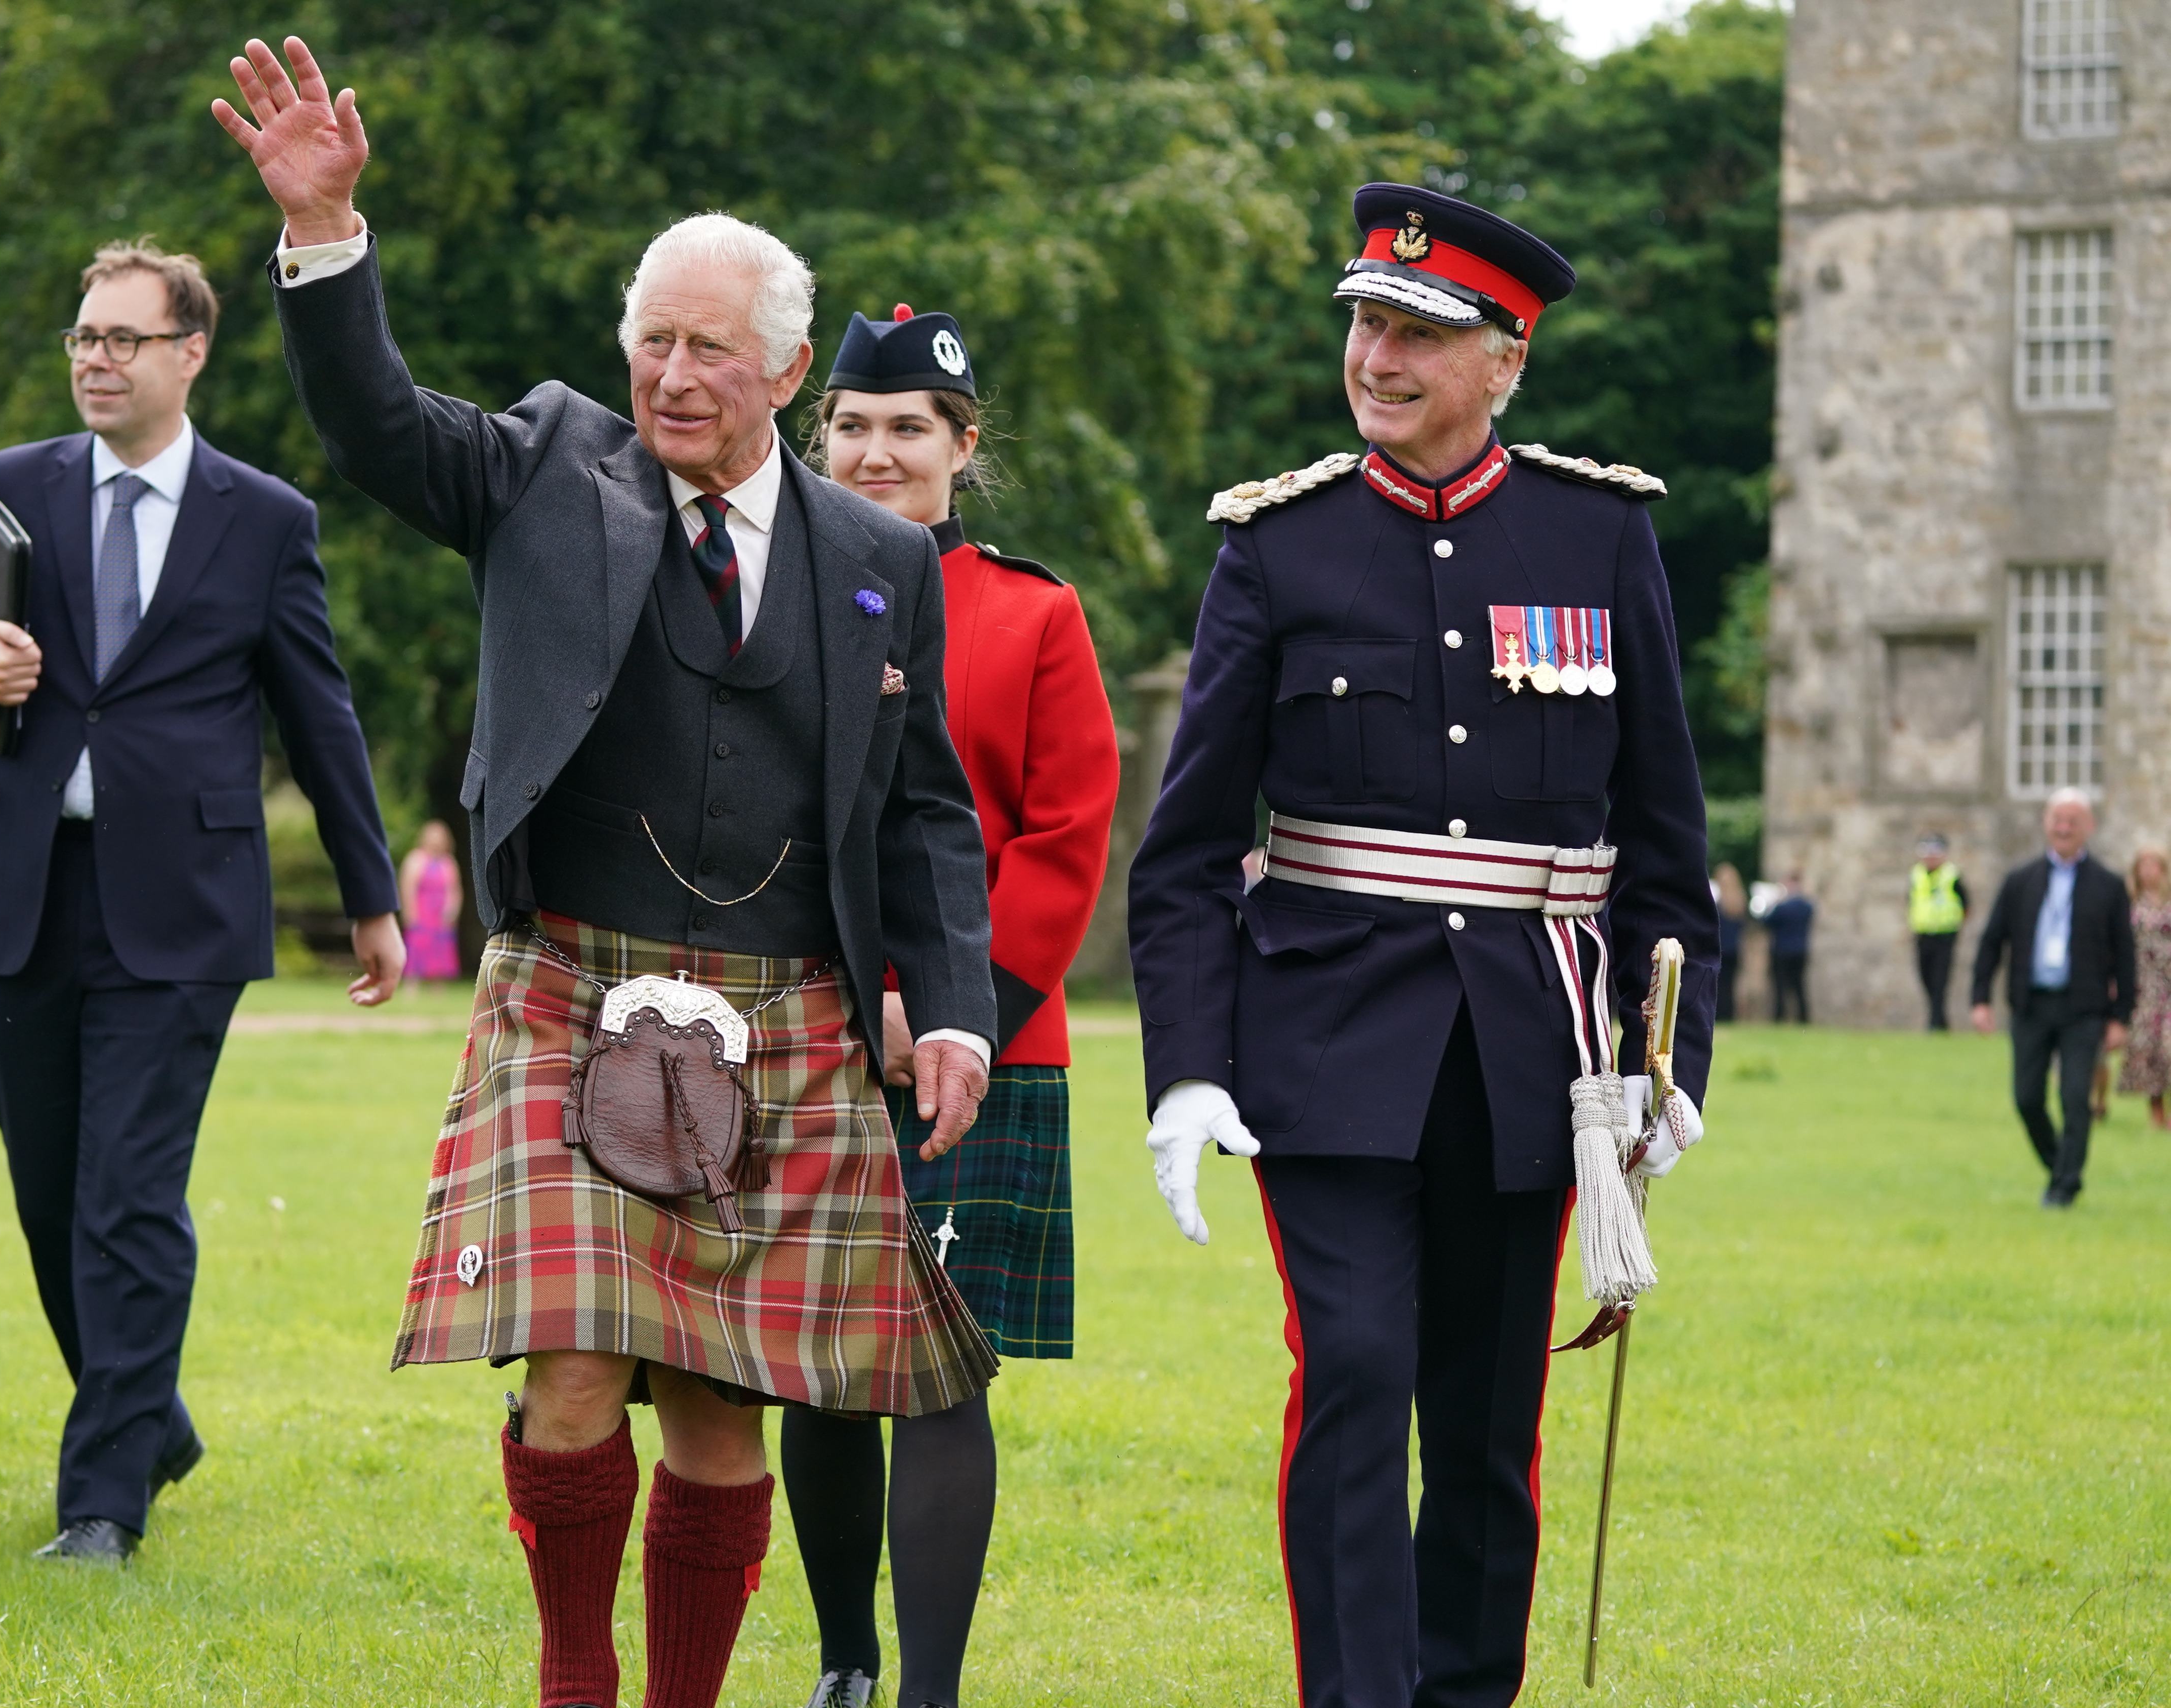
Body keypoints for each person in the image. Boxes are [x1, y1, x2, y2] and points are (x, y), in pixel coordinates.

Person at [221, 37, 1000, 1708]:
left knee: (720, 1395)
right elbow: (375, 424)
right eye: (653, 339)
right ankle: (578, 1670)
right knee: (574, 1366)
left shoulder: (882, 559)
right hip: (572, 978)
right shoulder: (543, 469)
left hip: (786, 1000)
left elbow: (926, 805)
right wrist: (325, 237)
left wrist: (951, 1006)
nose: (674, 374)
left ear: (787, 369)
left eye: (711, 347)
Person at [1130, 183, 1718, 1708]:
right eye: (1364, 324)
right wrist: (1187, 1072)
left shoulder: (1598, 536)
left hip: (1532, 1057)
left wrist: (1668, 1066)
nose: (1376, 357)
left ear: (1504, 360)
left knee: (1483, 1416)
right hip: (1322, 1051)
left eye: (1417, 333)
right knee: (1355, 1375)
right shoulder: (1279, 546)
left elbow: (1663, 840)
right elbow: (1185, 852)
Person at [0, 236, 405, 1562]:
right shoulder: (11, 486)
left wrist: (372, 893)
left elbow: (320, 713)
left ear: (190, 353)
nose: (97, 360)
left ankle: (102, 1501)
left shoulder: (266, 518)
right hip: (21, 892)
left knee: (128, 1192)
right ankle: (150, 1415)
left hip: (181, 907)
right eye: (84, 336)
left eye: (123, 338)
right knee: (48, 1193)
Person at [776, 305, 1120, 1708]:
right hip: (802, 1029)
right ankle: (843, 1665)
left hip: (982, 1046)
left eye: (909, 427)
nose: (877, 451)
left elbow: (1066, 837)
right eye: (852, 424)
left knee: (938, 1371)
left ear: (963, 446)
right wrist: (852, 999)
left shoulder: (1035, 612)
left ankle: (930, 1691)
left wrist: (951, 1007)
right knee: (812, 1363)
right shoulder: (767, 591)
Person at [1971, 788, 2137, 1209]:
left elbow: (2125, 955)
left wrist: (2121, 1017)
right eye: (2057, 819)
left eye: (2073, 821)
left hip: (2084, 1009)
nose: (2064, 828)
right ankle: (2061, 1165)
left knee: (2075, 1097)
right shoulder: (2020, 881)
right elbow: (1992, 942)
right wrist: (1980, 999)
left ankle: (2064, 1187)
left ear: (2088, 827)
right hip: (2031, 1005)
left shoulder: (2109, 885)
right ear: (2046, 823)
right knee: (2027, 1097)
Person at [2114, 848, 2171, 1130]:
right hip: (2143, 986)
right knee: (2149, 1049)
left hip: (2168, 982)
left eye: (2154, 865)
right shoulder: (2129, 904)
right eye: (2143, 866)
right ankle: (2157, 1114)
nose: (2148, 872)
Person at [1909, 834, 1968, 1030]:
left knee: (1940, 979)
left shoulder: (1952, 875)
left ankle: (1935, 1023)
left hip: (1945, 934)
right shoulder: (1916, 875)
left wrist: (1956, 925)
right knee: (1926, 977)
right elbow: (1911, 901)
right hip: (1923, 934)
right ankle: (1940, 1020)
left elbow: (1966, 904)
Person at [399, 820, 465, 989]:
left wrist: (452, 911)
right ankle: (411, 989)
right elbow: (408, 888)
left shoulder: (448, 862)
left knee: (440, 952)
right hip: (421, 912)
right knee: (416, 949)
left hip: (440, 916)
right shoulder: (415, 859)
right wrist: (410, 912)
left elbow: (455, 890)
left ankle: (437, 991)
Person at [1767, 868, 1815, 1024]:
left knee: (1781, 986)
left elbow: (1767, 921)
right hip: (1800, 950)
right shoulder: (1807, 906)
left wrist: (1776, 902)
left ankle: (1780, 1016)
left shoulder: (1783, 907)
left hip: (1782, 950)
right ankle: (1803, 1017)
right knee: (1798, 985)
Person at [1714, 861, 1747, 1022]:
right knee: (1730, 985)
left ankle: (1720, 1014)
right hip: (1734, 949)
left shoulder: (1718, 904)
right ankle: (1729, 1015)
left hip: (1720, 948)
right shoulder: (1740, 902)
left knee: (1719, 985)